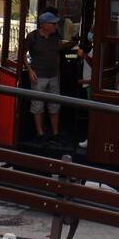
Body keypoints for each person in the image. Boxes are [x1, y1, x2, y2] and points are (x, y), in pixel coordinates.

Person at [25, 12, 81, 142]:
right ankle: (40, 134)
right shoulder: (32, 37)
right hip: (38, 76)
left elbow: (60, 47)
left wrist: (73, 42)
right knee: (37, 106)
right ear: (44, 25)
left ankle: (55, 133)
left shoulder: (55, 36)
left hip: (53, 76)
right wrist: (29, 70)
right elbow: (22, 53)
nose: (56, 25)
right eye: (54, 23)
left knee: (54, 105)